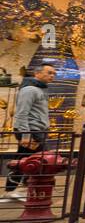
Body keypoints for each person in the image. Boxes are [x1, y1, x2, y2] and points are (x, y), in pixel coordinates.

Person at [4, 63, 55, 201]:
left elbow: (37, 113)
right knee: (40, 160)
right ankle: (19, 189)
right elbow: (21, 114)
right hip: (30, 131)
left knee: (24, 160)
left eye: (53, 73)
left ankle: (14, 190)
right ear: (37, 74)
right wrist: (26, 135)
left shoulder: (39, 90)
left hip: (36, 130)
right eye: (49, 72)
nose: (52, 76)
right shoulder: (30, 90)